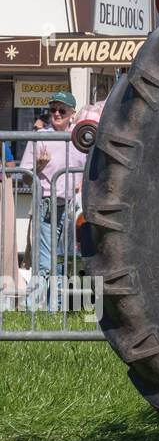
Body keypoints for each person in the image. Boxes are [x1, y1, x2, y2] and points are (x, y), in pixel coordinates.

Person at [18, 91, 86, 303]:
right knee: (45, 262)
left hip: (70, 206)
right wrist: (38, 167)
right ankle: (34, 310)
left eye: (62, 110)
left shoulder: (79, 138)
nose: (56, 113)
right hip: (46, 205)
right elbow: (25, 177)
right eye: (53, 110)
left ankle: (53, 310)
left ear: (72, 113)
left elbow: (89, 170)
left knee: (61, 261)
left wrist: (80, 185)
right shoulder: (39, 137)